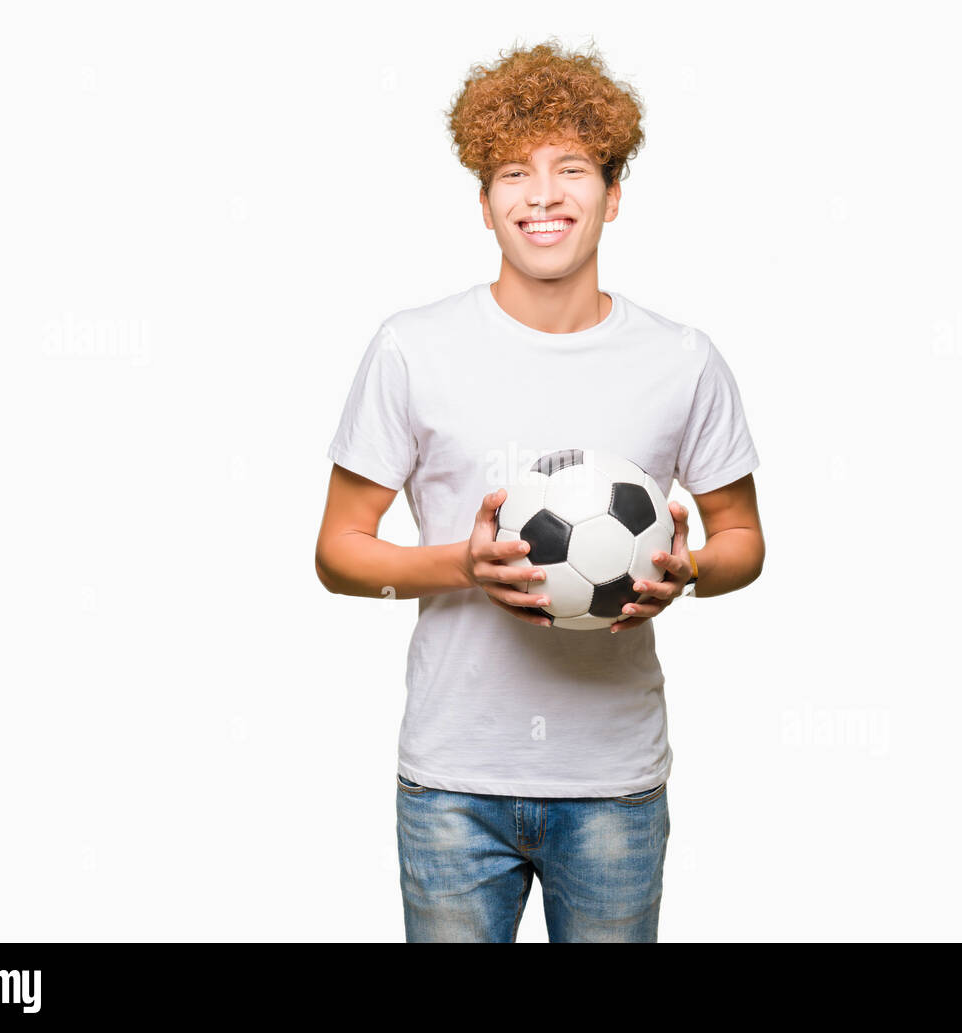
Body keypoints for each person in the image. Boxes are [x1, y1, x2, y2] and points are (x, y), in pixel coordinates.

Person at [315, 39, 765, 942]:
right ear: (485, 204)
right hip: (452, 782)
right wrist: (462, 565)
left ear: (614, 192)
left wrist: (691, 571)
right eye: (515, 172)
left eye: (573, 168)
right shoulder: (413, 347)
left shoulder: (682, 359)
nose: (545, 194)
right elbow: (338, 551)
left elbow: (743, 540)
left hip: (613, 786)